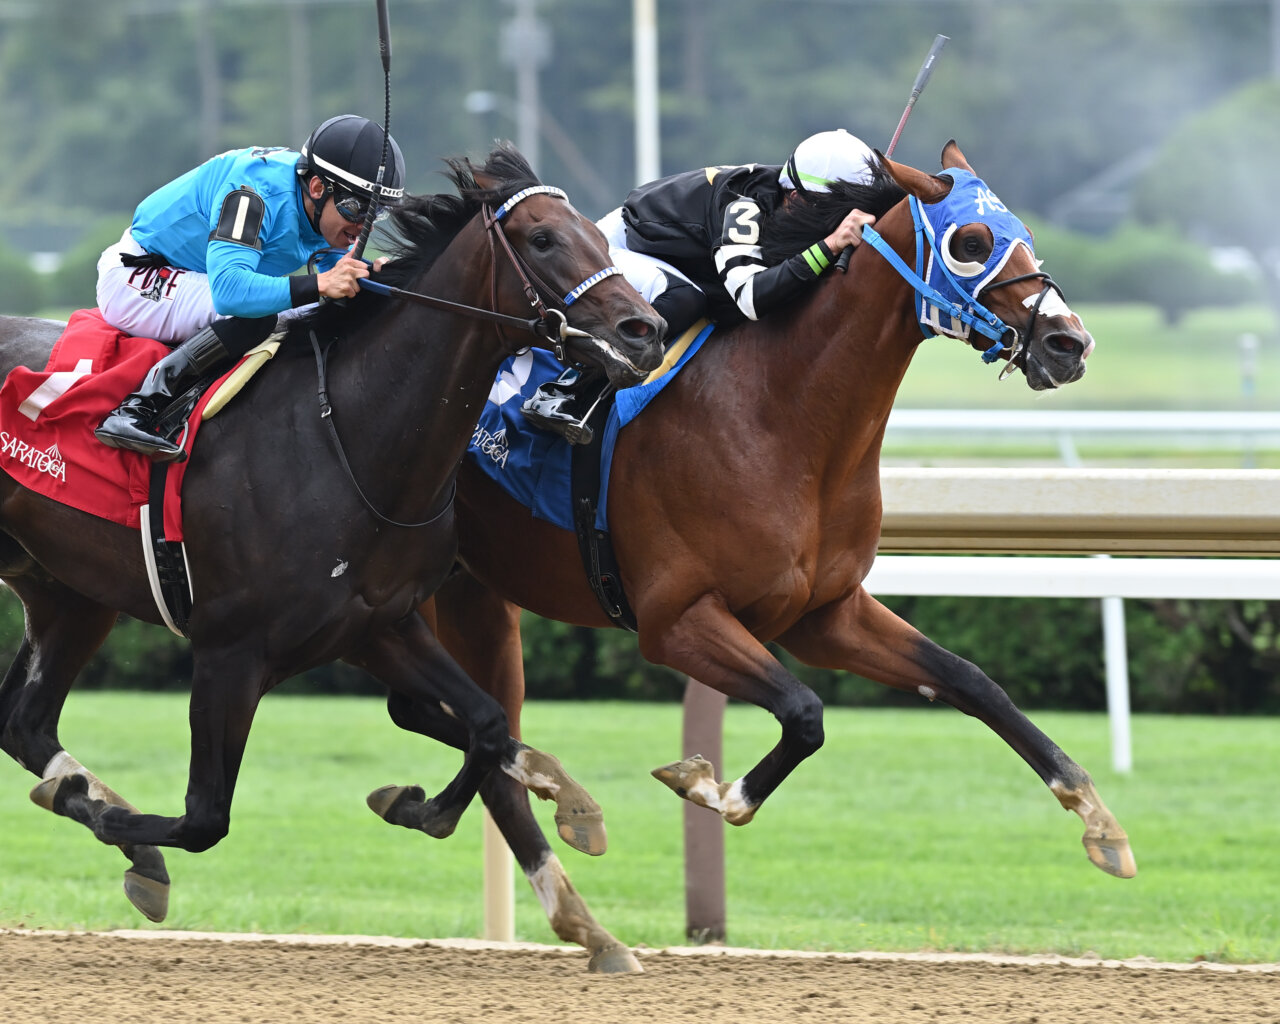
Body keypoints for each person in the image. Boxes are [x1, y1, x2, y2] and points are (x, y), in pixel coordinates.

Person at [521, 128, 879, 443]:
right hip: (620, 246)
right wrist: (830, 245)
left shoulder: (794, 195)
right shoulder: (745, 206)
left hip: (686, 257)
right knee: (687, 299)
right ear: (800, 197)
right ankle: (564, 391)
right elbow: (751, 299)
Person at [93, 114, 406, 461]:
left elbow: (337, 283)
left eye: (377, 215)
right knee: (259, 312)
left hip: (195, 278)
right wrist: (321, 283)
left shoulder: (326, 211)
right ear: (317, 187)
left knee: (323, 309)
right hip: (137, 277)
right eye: (357, 210)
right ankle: (138, 408)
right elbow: (230, 292)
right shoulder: (252, 194)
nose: (363, 228)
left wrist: (375, 280)